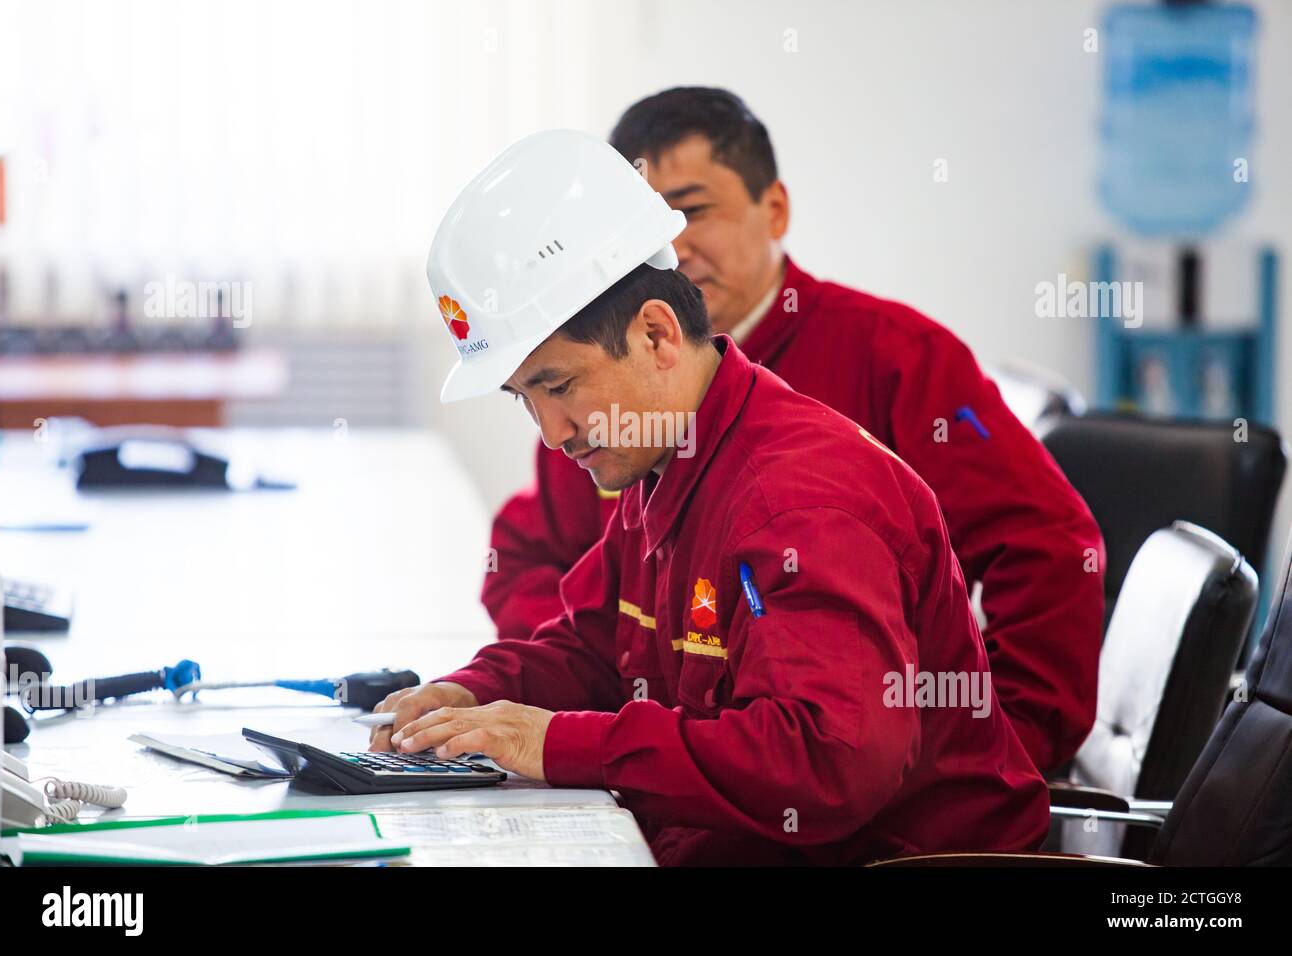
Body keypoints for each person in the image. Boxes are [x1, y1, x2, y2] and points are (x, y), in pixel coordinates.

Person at [372, 128, 1049, 866]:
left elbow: (828, 761)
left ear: (657, 335)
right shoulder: (666, 457)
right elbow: (600, 645)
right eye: (524, 399)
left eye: (560, 386)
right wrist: (473, 696)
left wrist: (556, 742)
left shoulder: (794, 503)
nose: (553, 431)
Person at [481, 88, 1105, 774]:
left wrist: (1008, 751)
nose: (665, 244)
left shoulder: (892, 359)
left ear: (774, 209)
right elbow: (570, 593)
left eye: (689, 210)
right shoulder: (642, 419)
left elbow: (1051, 548)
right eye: (636, 225)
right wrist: (500, 704)